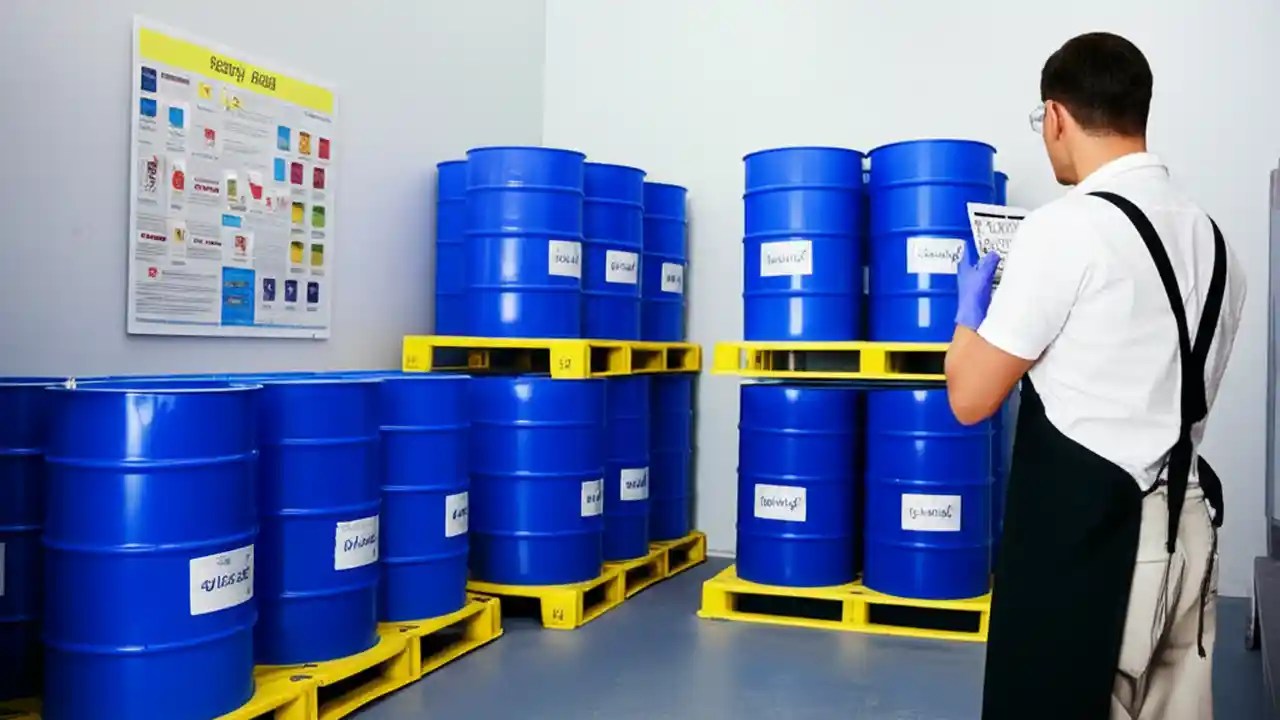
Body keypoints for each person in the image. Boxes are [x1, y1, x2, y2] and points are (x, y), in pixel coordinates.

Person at [944, 32, 1247, 720]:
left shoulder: (1064, 231)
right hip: (1190, 534)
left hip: (1093, 549)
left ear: (1055, 116)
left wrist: (969, 316)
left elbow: (969, 397)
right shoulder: (1218, 240)